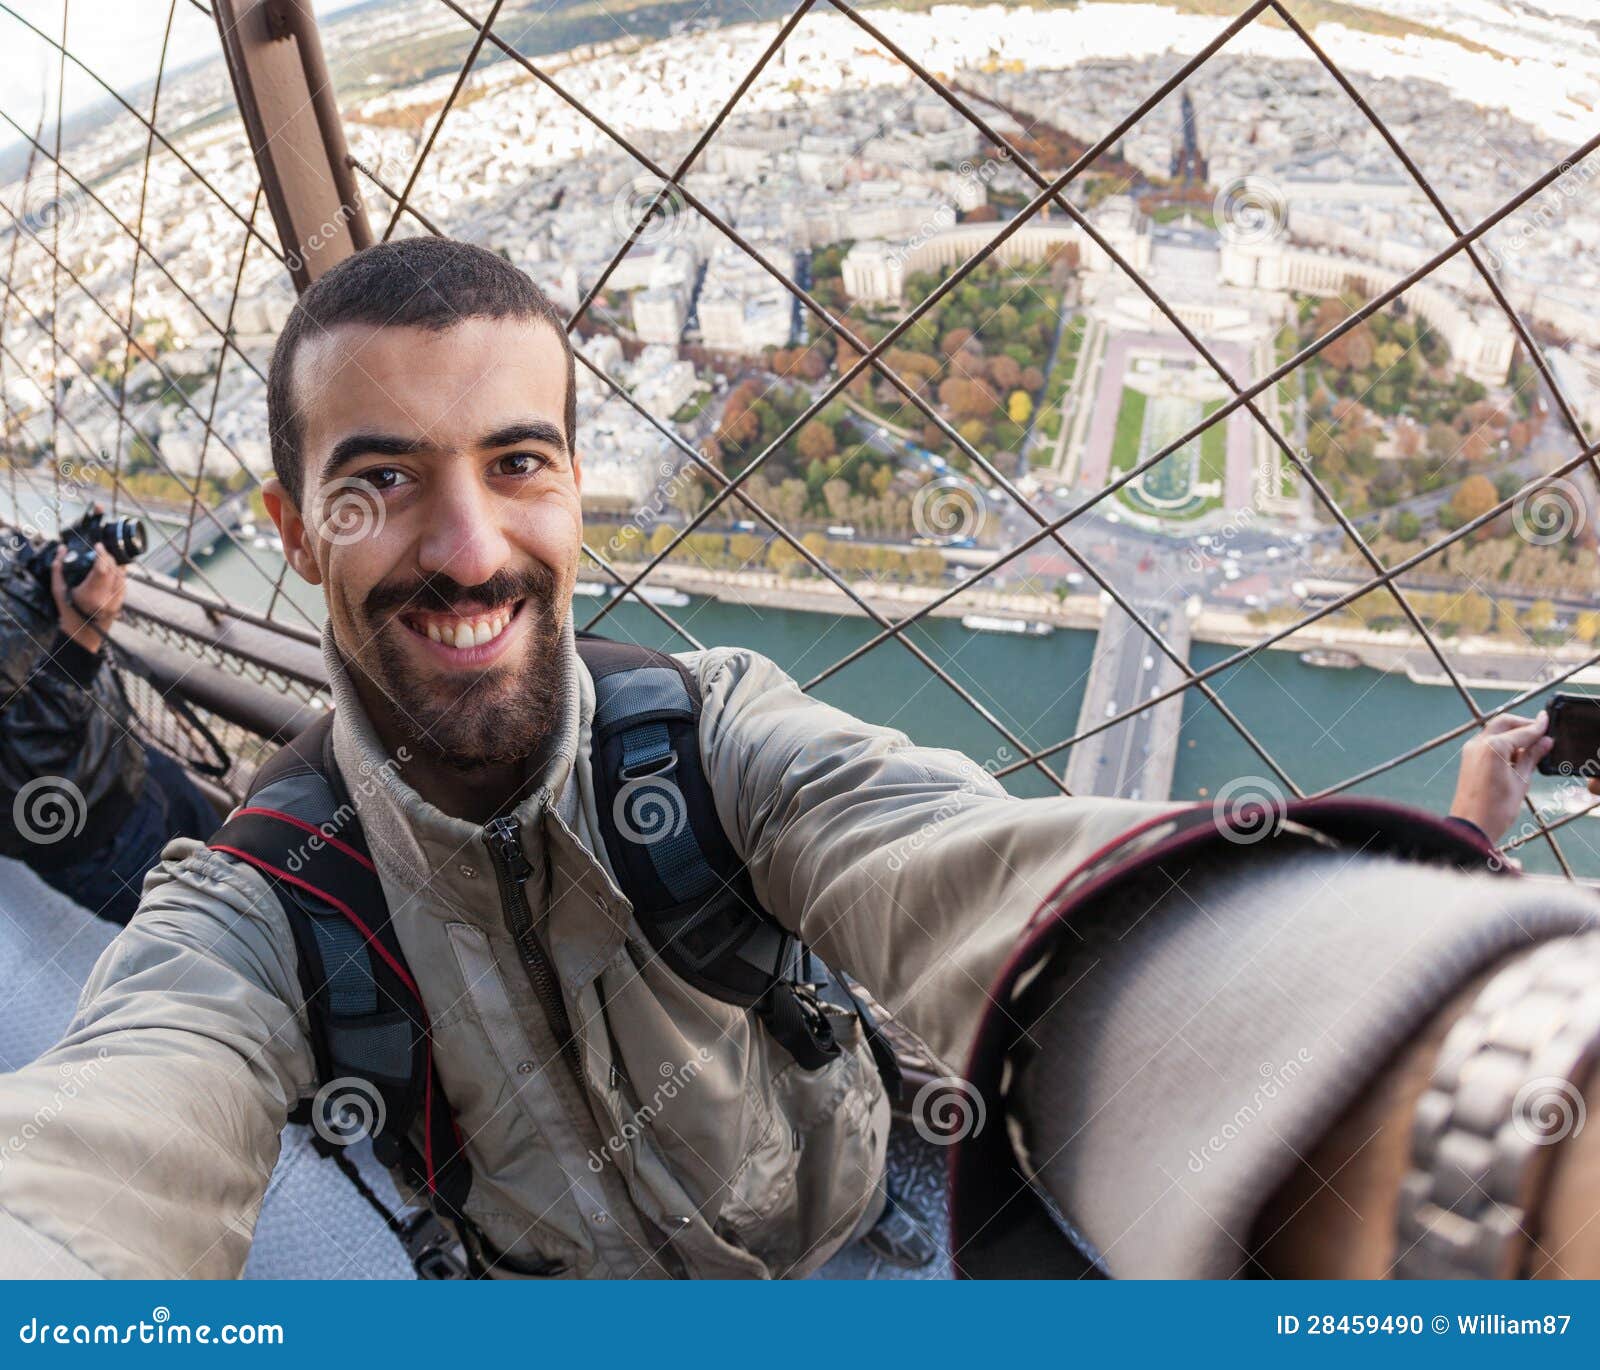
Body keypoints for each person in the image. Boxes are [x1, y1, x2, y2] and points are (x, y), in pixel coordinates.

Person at [0, 237, 1592, 1281]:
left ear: (576, 496)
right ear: (292, 531)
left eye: (519, 464)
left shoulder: (718, 737)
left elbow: (979, 873)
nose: (471, 545)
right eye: (385, 481)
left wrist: (1487, 1078)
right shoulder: (252, 904)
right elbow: (115, 1135)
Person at [0, 519, 218, 925]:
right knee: (205, 933)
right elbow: (21, 776)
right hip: (95, 837)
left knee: (248, 869)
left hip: (130, 758)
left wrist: (66, 557)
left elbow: (18, 583)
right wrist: (82, 639)